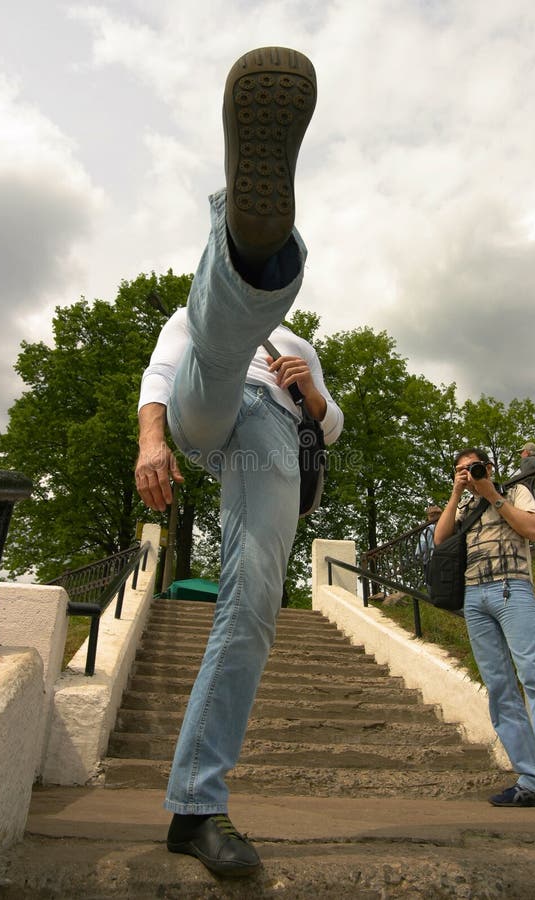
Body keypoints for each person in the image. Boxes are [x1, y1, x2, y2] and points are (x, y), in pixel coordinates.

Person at [135, 46, 343, 877]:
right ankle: (253, 245)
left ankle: (196, 805)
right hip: (208, 396)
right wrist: (152, 442)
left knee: (254, 600)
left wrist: (310, 391)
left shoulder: (301, 345)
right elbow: (162, 375)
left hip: (269, 438)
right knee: (216, 346)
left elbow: (331, 431)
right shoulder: (186, 319)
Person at [434, 446, 535, 808]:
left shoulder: (516, 492)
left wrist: (491, 494)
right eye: (460, 469)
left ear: (488, 467)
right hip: (474, 598)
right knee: (500, 688)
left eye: (473, 467)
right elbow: (441, 540)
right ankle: (534, 781)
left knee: (534, 676)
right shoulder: (462, 506)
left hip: (512, 588)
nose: (468, 473)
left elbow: (533, 530)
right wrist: (456, 493)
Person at [415, 504, 442, 583]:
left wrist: (418, 557)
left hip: (432, 561)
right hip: (445, 559)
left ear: (430, 516)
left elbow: (421, 547)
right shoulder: (448, 527)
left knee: (432, 585)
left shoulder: (429, 529)